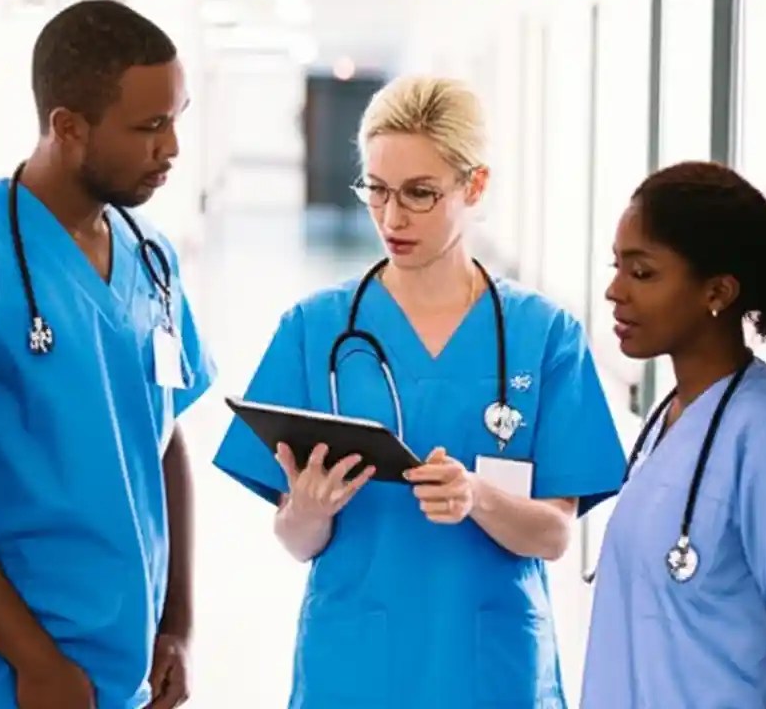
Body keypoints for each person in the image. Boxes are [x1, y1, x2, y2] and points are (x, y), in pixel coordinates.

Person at [212, 75, 626, 708]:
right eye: (376, 191)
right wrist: (310, 510)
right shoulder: (315, 328)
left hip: (491, 667)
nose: (391, 217)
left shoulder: (543, 334)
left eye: (420, 194)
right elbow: (295, 541)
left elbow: (554, 535)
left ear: (475, 185)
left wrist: (479, 497)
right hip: (354, 665)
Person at [0, 0, 214, 709]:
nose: (172, 149)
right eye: (149, 126)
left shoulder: (152, 258)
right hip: (6, 677)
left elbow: (162, 439)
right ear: (68, 127)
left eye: (176, 118)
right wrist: (35, 661)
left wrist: (178, 627)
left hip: (124, 676)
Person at [581, 160, 766, 708]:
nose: (615, 291)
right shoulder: (671, 419)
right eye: (617, 267)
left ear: (717, 291)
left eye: (642, 273)